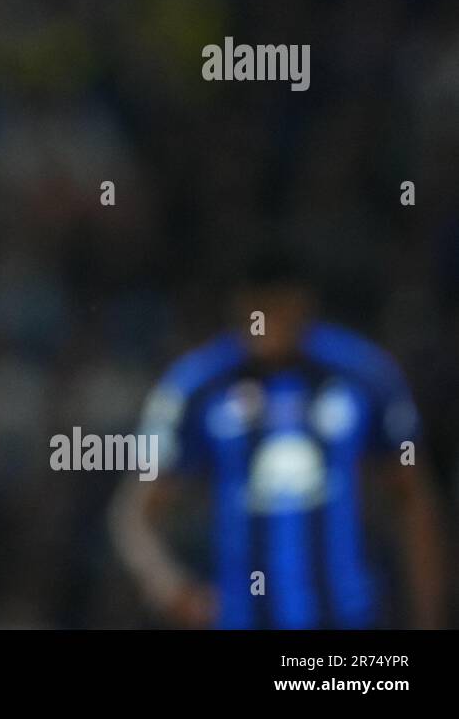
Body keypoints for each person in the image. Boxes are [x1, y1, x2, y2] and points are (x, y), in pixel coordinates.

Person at [110, 249, 445, 628]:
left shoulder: (364, 376)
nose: (271, 324)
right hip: (242, 618)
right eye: (260, 310)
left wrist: (429, 616)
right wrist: (167, 583)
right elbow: (136, 511)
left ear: (306, 305)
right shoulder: (198, 387)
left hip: (348, 619)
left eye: (284, 309)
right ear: (239, 307)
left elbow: (413, 498)